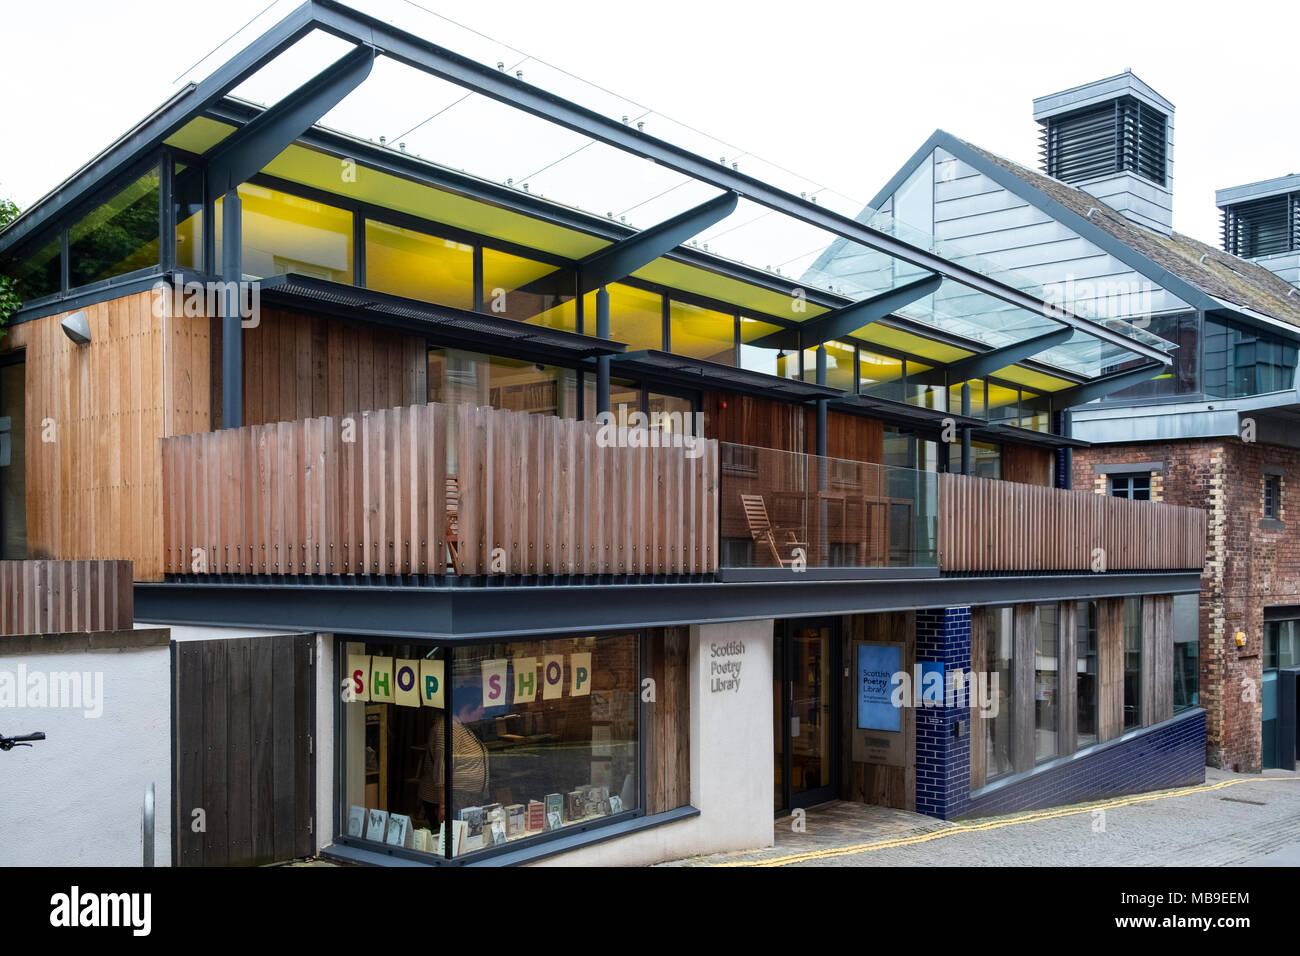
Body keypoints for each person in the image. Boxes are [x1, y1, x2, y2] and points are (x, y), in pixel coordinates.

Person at [418, 683, 489, 825]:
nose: (484, 711)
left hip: (464, 802)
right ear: (467, 707)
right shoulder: (448, 729)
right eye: (481, 706)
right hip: (453, 803)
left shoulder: (459, 726)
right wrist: (444, 806)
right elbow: (442, 769)